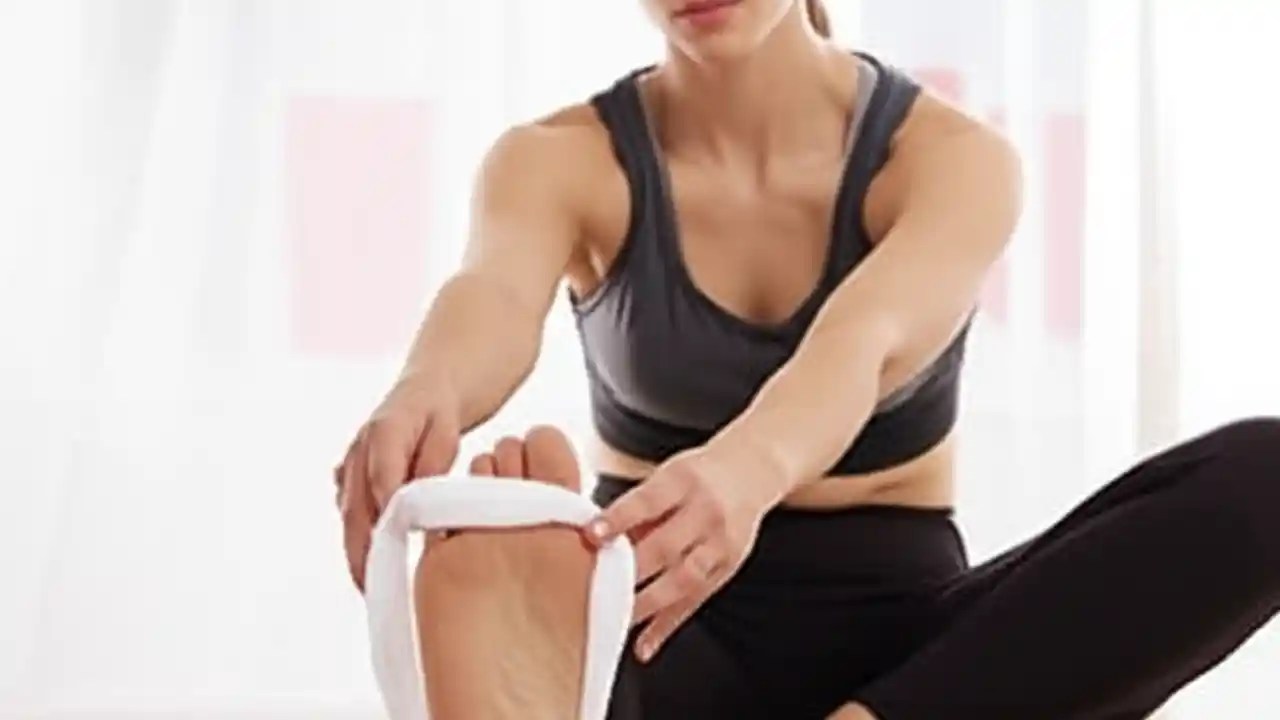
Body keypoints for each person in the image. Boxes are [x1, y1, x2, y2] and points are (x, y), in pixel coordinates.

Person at [335, 0, 1280, 717]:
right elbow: (493, 295)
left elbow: (860, 347)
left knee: (1263, 479)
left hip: (907, 655)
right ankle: (555, 655)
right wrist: (429, 390)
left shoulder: (949, 158)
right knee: (538, 561)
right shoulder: (553, 160)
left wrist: (743, 473)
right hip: (661, 625)